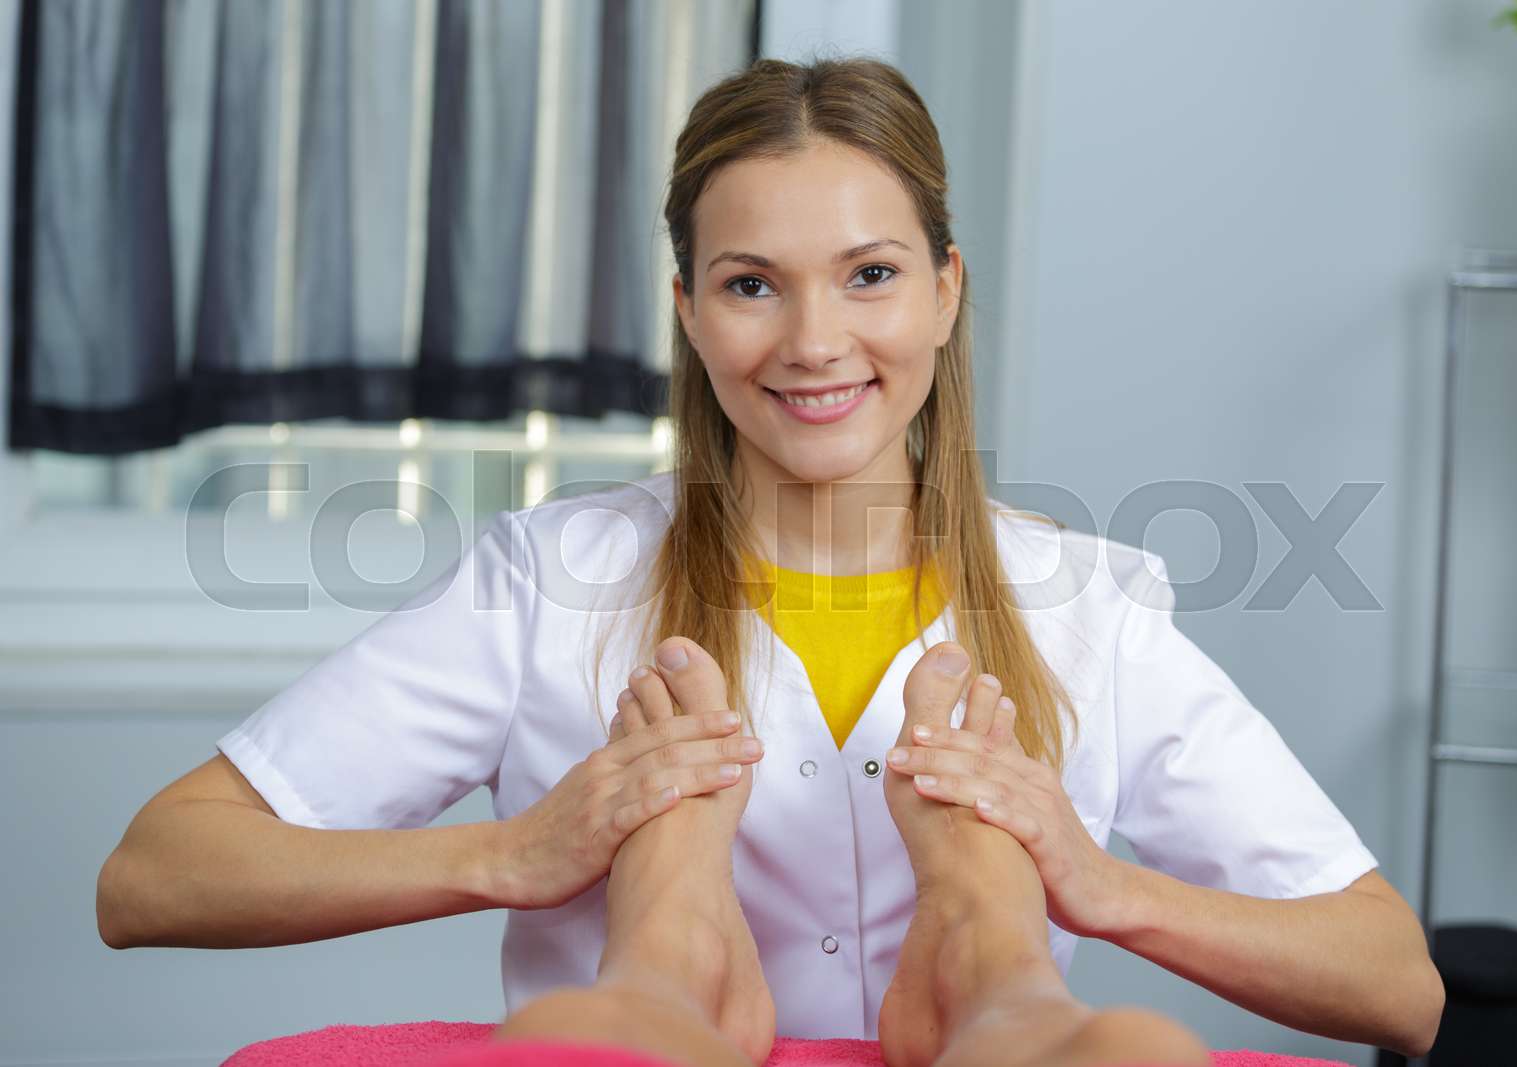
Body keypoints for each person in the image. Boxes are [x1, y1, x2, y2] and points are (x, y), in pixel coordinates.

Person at [95, 57, 1442, 1067]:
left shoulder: (1086, 613)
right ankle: (718, 968)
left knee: (1115, 1044)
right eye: (752, 284)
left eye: (869, 275)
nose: (813, 342)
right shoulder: (547, 584)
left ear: (946, 291)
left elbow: (1396, 982)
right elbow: (155, 875)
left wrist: (1100, 883)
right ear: (687, 311)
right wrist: (514, 853)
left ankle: (964, 963)